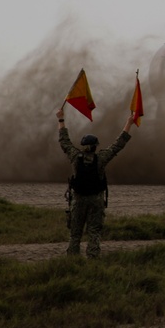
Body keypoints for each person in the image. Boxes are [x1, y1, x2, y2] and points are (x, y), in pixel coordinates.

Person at [56, 107, 135, 258]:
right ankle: (92, 257)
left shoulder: (75, 156)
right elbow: (118, 145)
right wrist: (128, 124)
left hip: (78, 199)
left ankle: (72, 259)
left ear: (83, 145)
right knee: (94, 232)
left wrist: (61, 119)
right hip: (96, 200)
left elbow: (64, 141)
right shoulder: (101, 159)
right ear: (95, 146)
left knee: (75, 233)